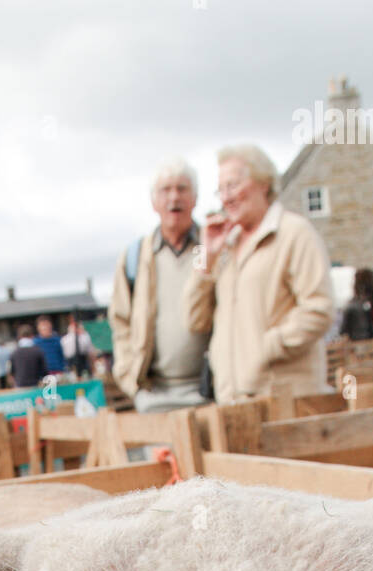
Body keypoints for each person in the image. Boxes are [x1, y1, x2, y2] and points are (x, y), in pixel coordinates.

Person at [186, 145, 333, 405]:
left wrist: (267, 347)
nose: (226, 198)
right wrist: (204, 254)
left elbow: (319, 309)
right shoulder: (225, 248)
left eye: (233, 186)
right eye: (221, 190)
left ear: (263, 183)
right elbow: (193, 318)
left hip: (285, 402)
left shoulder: (295, 233)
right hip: (232, 402)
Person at [110, 158, 209, 412]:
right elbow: (120, 322)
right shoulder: (136, 256)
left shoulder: (209, 248)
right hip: (155, 396)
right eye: (166, 190)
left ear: (195, 199)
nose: (174, 197)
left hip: (208, 393)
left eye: (182, 189)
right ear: (154, 202)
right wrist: (130, 379)